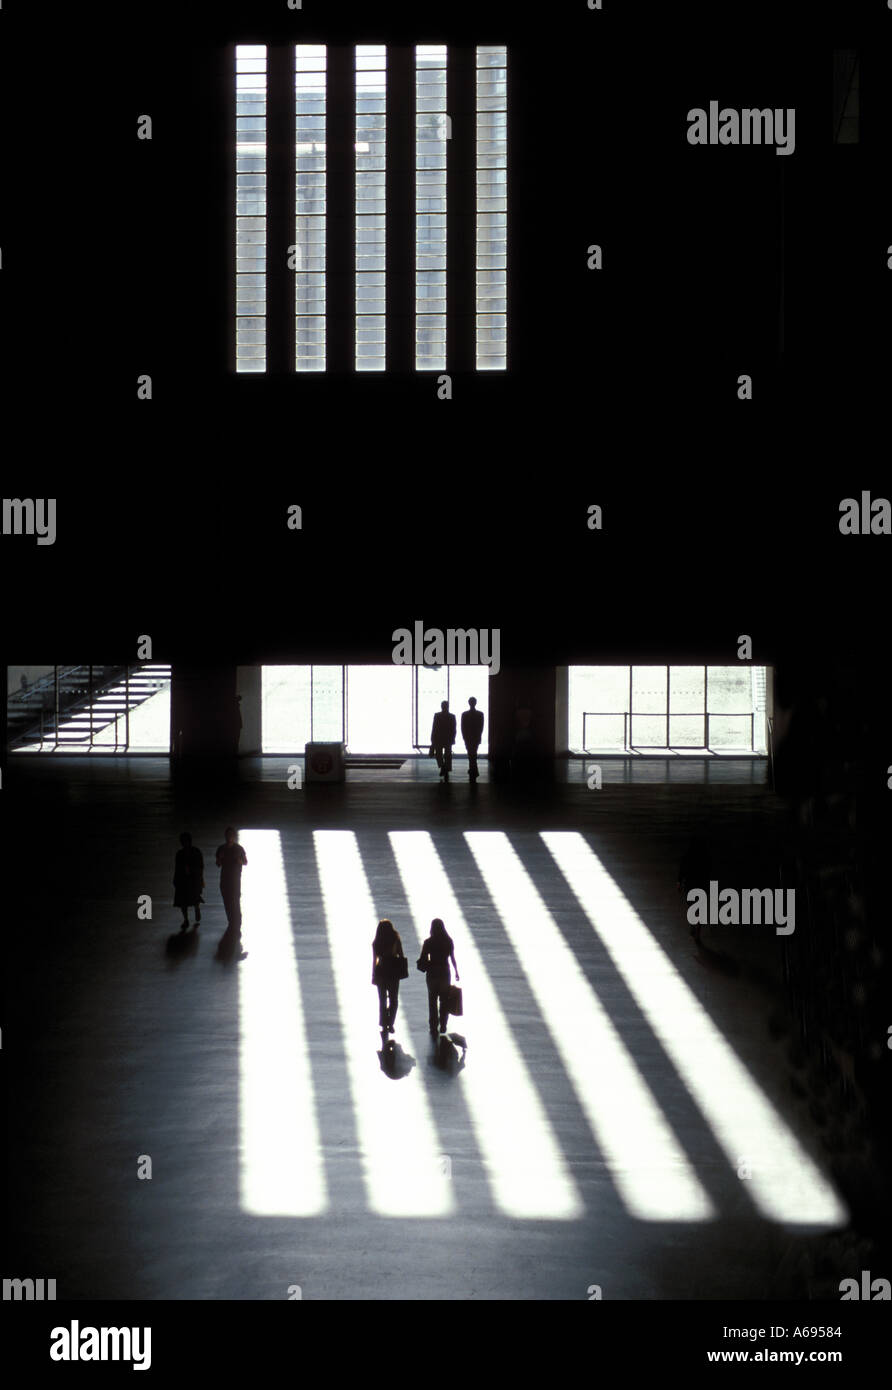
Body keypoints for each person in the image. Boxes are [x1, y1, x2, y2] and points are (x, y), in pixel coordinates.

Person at [417, 918, 459, 1037]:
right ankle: (443, 1024)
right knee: (444, 1000)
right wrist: (456, 971)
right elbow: (452, 957)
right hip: (445, 972)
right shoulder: (448, 941)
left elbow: (423, 958)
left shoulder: (428, 942)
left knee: (432, 1000)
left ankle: (433, 1026)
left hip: (432, 973)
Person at [216, 826, 248, 955]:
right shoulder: (221, 849)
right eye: (227, 836)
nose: (229, 838)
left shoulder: (239, 849)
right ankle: (232, 920)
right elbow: (218, 864)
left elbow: (245, 862)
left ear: (234, 837)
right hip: (225, 880)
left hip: (235, 880)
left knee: (234, 901)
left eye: (231, 836)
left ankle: (237, 921)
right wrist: (220, 858)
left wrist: (239, 860)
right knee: (227, 901)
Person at [372, 919, 406, 1034]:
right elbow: (401, 955)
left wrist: (373, 975)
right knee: (394, 1000)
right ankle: (390, 1023)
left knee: (382, 1000)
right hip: (393, 972)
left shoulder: (376, 942)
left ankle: (383, 1024)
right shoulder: (396, 940)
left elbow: (374, 960)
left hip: (380, 971)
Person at [678, 835, 713, 946]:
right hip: (701, 884)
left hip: (690, 884)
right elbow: (709, 872)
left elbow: (682, 870)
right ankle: (697, 931)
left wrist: (679, 882)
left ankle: (694, 926)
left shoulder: (687, 856)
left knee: (692, 906)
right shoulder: (705, 857)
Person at [173, 831, 204, 931]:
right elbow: (177, 868)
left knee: (192, 898)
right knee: (183, 902)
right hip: (184, 880)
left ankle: (195, 909)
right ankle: (186, 918)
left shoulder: (194, 852)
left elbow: (200, 866)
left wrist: (194, 873)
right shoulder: (181, 854)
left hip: (193, 880)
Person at [430, 700, 457, 782]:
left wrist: (432, 739)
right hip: (448, 738)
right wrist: (453, 738)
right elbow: (454, 729)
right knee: (447, 755)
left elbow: (434, 728)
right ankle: (446, 768)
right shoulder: (452, 716)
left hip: (438, 738)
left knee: (439, 754)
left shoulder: (437, 715)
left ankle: (442, 767)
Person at [460, 697, 484, 782]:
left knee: (470, 753)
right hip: (475, 737)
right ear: (475, 703)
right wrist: (479, 736)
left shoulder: (464, 714)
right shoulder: (480, 714)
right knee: (473, 753)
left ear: (469, 703)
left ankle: (472, 769)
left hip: (468, 737)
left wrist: (464, 736)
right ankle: (473, 769)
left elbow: (462, 727)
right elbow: (481, 727)